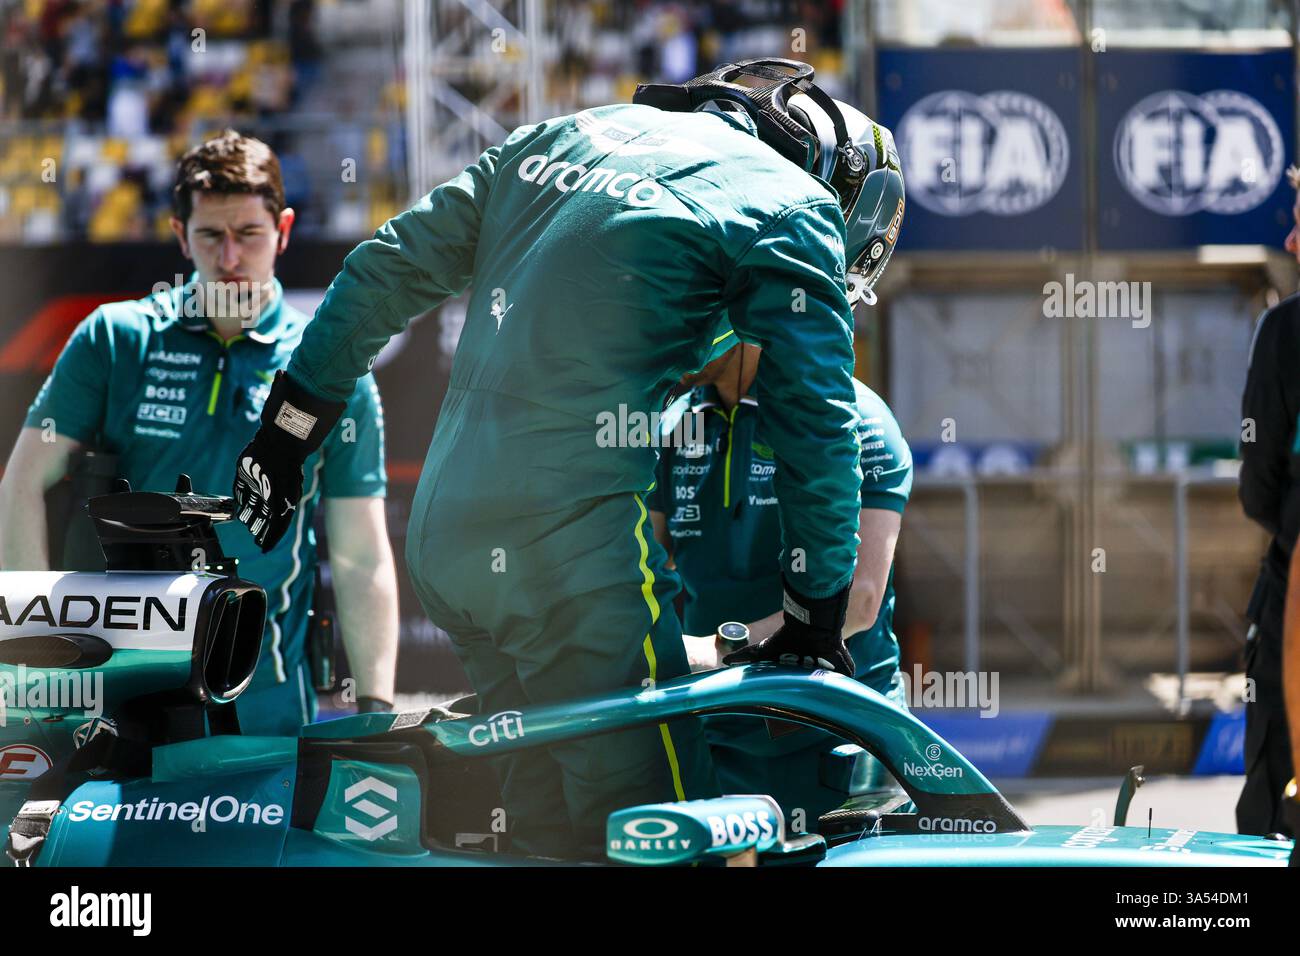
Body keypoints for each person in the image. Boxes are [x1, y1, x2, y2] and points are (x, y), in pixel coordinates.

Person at [229, 59, 906, 859]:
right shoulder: (787, 203)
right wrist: (813, 612)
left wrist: (285, 431)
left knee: (539, 834)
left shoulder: (554, 137)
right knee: (659, 835)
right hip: (574, 565)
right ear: (825, 170)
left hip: (449, 545)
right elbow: (813, 418)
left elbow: (384, 271)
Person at [0, 130, 399, 734]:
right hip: (117, 699)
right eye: (211, 236)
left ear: (283, 232)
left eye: (249, 234)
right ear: (181, 235)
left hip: (267, 707)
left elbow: (361, 553)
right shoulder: (115, 338)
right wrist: (36, 659)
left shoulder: (329, 374)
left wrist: (375, 709)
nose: (231, 258)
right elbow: (22, 484)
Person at [649, 335, 911, 826]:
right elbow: (641, 561)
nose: (673, 329)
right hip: (717, 726)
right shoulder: (672, 421)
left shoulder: (853, 416)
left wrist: (717, 651)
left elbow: (860, 601)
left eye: (693, 312)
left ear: (735, 320)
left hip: (840, 736)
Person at [1236, 164, 1300, 836]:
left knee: (1275, 808)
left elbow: (1258, 488)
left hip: (1293, 600)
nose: (1288, 240)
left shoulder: (1284, 331)